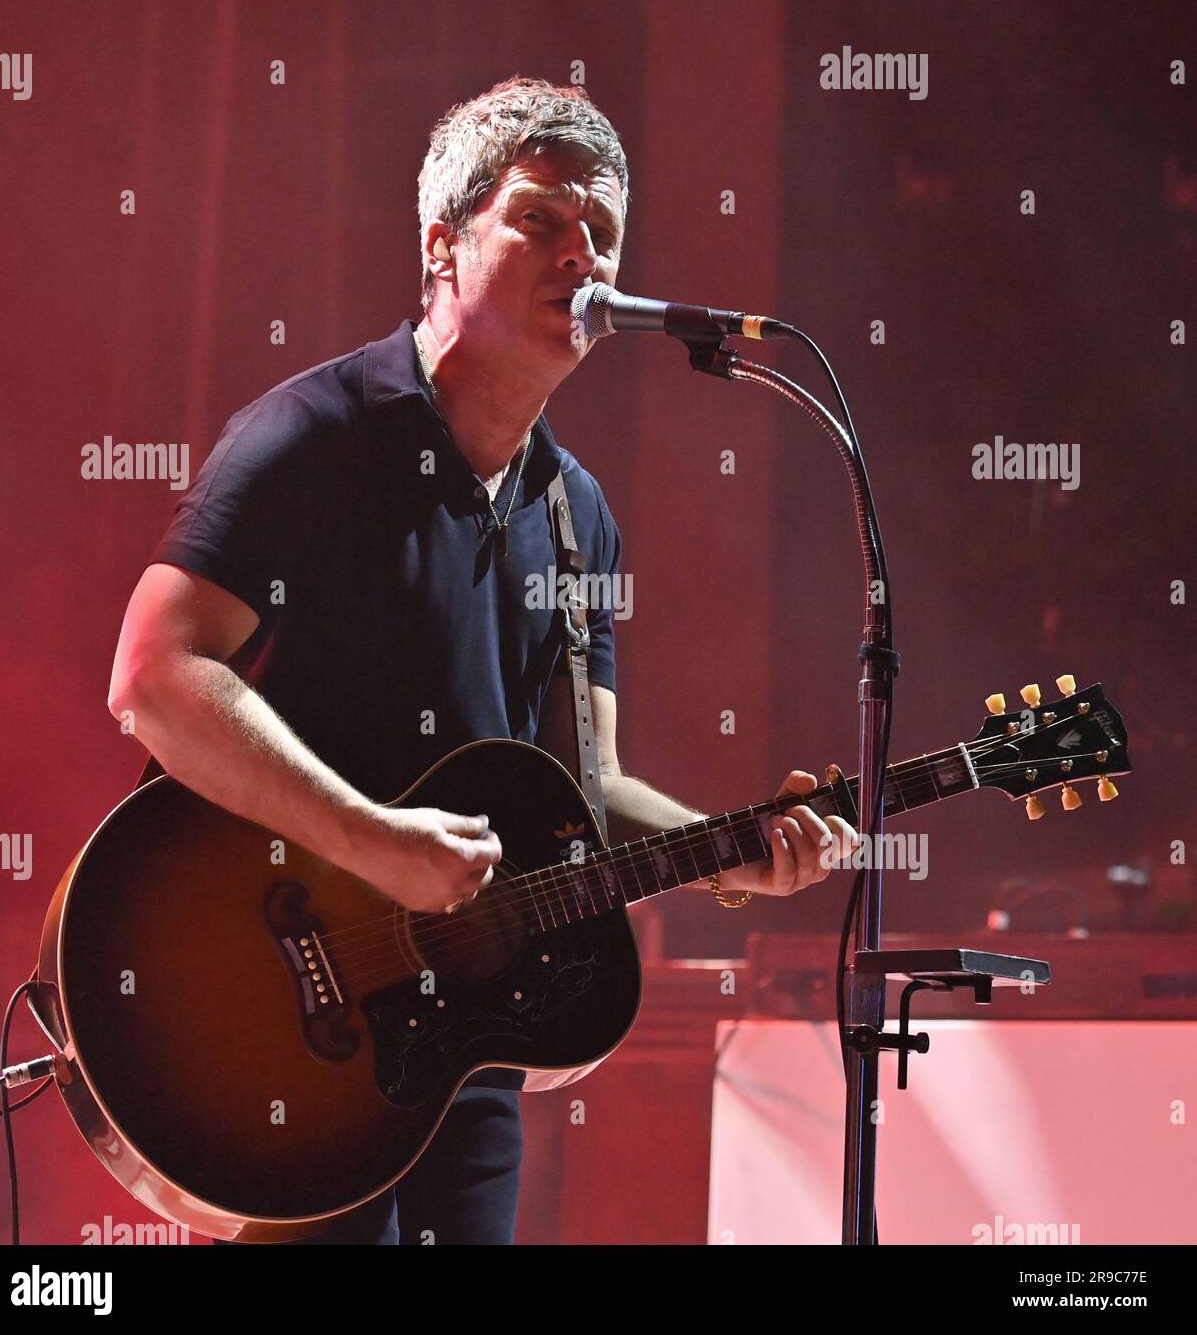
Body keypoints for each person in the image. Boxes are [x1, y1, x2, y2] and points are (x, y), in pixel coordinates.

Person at [106, 76, 856, 1246]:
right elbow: (153, 676)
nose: (582, 256)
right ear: (441, 246)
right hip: (287, 1026)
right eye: (541, 219)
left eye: (600, 232)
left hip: (465, 1046)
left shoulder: (578, 514)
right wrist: (373, 843)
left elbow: (583, 785)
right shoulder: (317, 436)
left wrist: (736, 852)